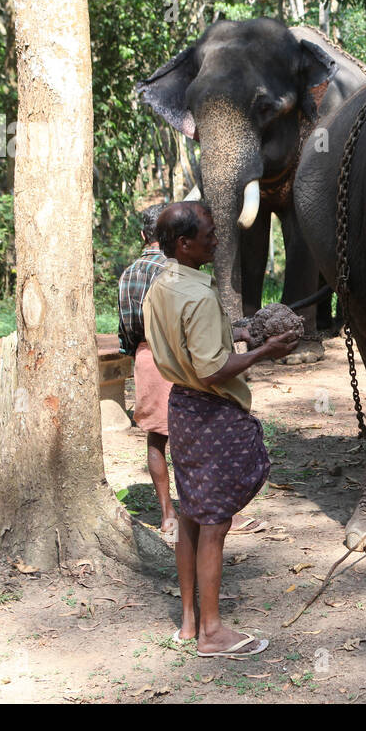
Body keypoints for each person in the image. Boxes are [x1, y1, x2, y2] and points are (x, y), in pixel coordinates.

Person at [143, 201, 299, 657]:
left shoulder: (164, 284)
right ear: (184, 244)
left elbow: (193, 346)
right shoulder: (196, 294)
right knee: (215, 523)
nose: (216, 239)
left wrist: (243, 332)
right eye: (209, 234)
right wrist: (265, 352)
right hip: (212, 411)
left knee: (191, 513)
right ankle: (213, 633)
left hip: (183, 409)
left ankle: (190, 623)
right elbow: (212, 369)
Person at [117, 203, 179, 544]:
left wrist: (137, 351)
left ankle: (167, 514)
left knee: (157, 438)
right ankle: (202, 509)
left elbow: (126, 329)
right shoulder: (176, 270)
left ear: (143, 235)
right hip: (180, 359)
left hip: (146, 357)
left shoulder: (127, 274)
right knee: (191, 436)